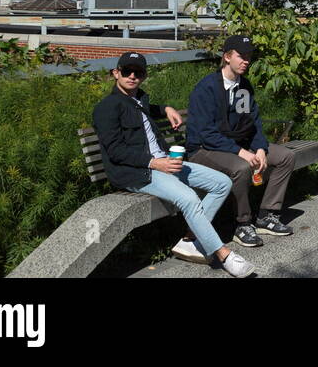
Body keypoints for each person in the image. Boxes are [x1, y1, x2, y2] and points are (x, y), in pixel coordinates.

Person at [92, 51, 252, 277]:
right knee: (188, 198)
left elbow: (145, 109)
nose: (132, 76)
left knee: (222, 182)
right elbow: (116, 151)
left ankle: (190, 240)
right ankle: (222, 254)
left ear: (144, 76)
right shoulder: (107, 107)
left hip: (164, 162)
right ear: (116, 73)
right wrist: (154, 163)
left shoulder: (139, 99)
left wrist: (166, 108)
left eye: (138, 72)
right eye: (127, 71)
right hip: (138, 172)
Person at [185, 34, 295, 248]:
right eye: (241, 56)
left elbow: (251, 122)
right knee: (242, 167)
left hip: (234, 146)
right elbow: (206, 134)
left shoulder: (243, 86)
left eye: (248, 56)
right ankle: (242, 224)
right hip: (203, 150)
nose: (246, 60)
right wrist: (240, 151)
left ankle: (266, 216)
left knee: (285, 157)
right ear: (227, 57)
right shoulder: (206, 88)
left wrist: (260, 148)